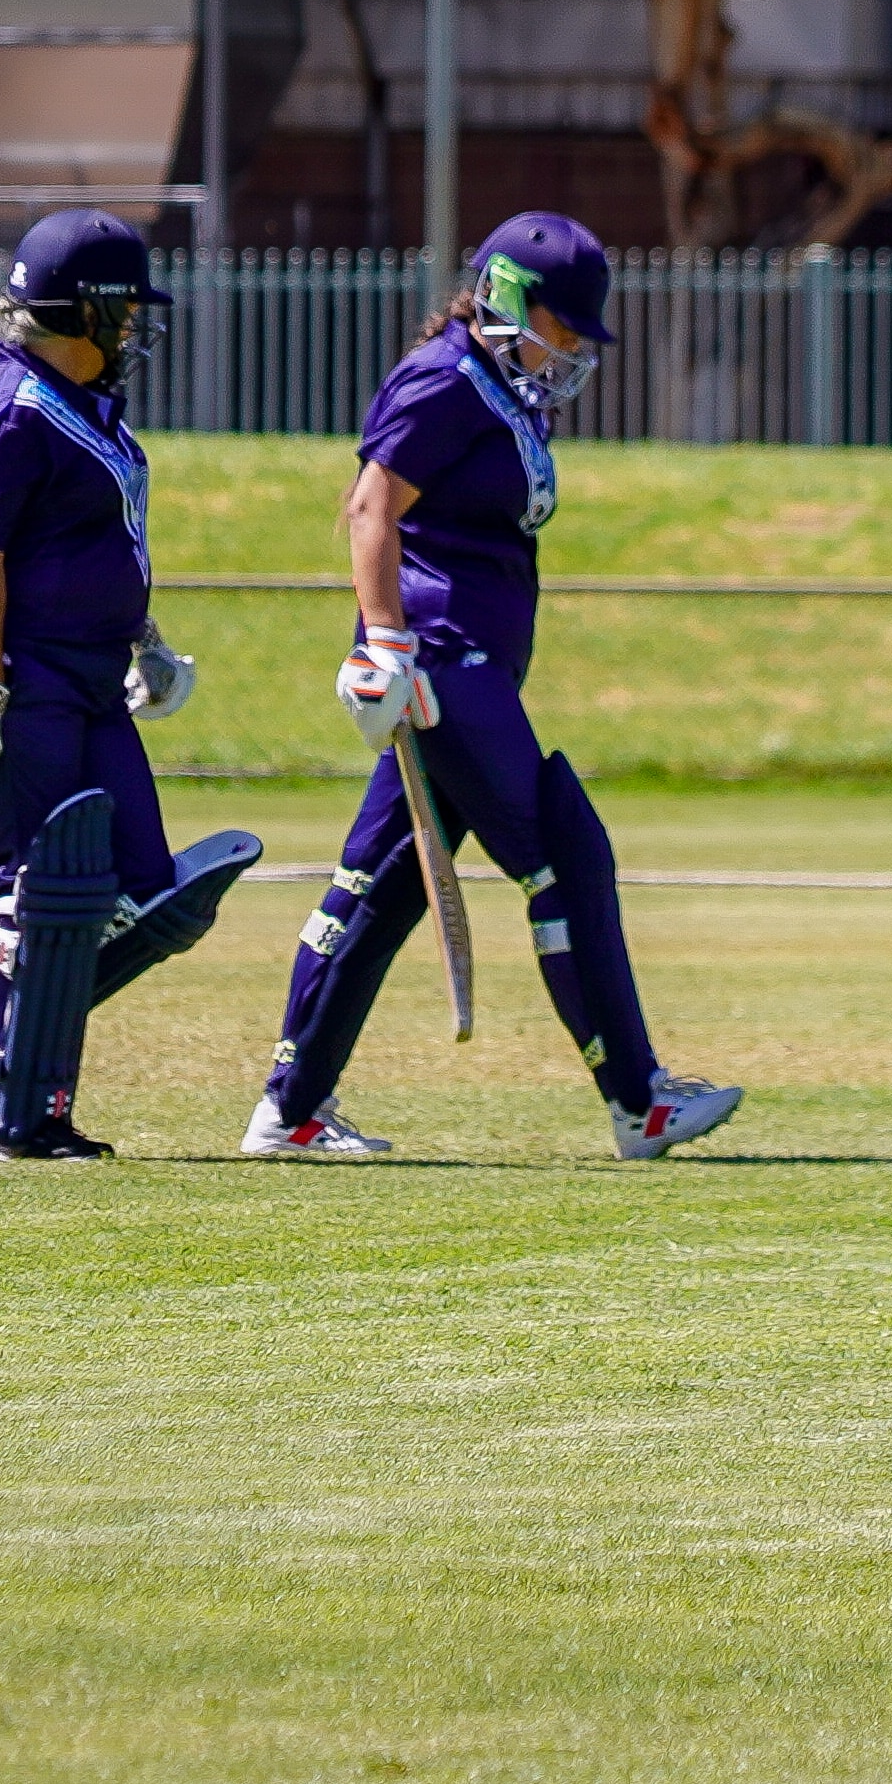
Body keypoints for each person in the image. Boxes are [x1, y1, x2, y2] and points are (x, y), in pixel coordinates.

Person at [247, 211, 742, 1165]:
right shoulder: (443, 378)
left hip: (464, 660)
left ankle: (289, 1107)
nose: (567, 349)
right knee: (563, 850)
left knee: (380, 884)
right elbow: (369, 506)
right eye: (559, 325)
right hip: (445, 664)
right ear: (510, 299)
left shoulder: (496, 390)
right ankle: (637, 1099)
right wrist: (383, 642)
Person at [0, 208, 261, 1161]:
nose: (137, 330)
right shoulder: (10, 410)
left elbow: (91, 545)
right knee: (48, 886)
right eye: (126, 313)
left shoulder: (87, 403)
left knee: (147, 898)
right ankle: (30, 1110)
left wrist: (145, 639)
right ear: (83, 313)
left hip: (92, 675)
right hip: (23, 677)